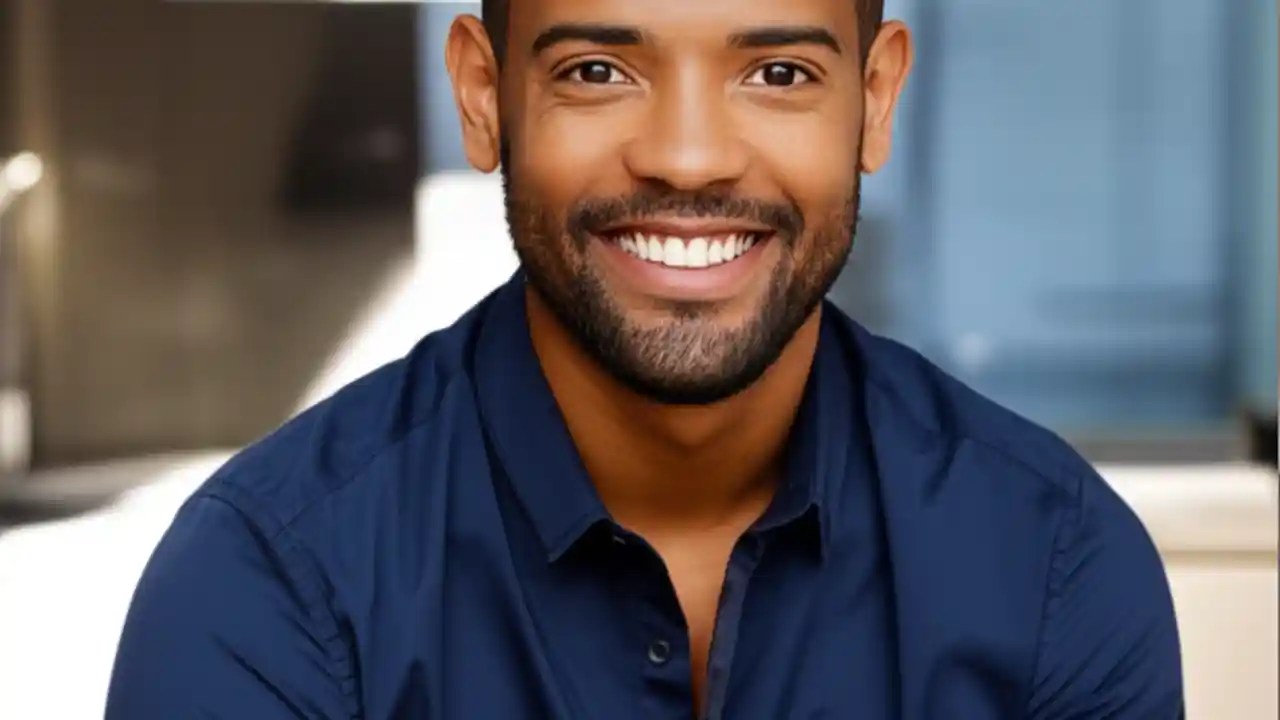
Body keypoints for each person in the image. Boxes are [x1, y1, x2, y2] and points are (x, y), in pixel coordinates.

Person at [106, 0, 1184, 717]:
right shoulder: (271, 585)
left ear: (874, 97)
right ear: (484, 98)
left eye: (773, 71)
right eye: (595, 68)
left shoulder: (1051, 563)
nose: (686, 157)